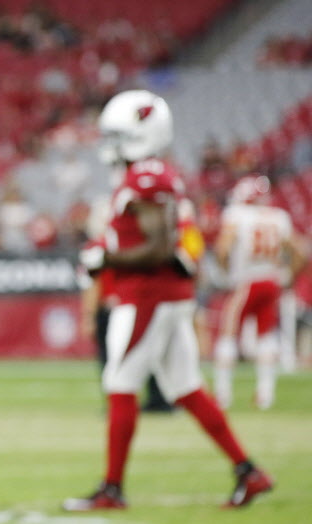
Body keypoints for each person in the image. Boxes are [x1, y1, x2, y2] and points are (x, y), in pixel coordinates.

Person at [66, 89, 273, 511]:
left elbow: (160, 247)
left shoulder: (147, 177)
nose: (110, 143)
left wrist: (102, 258)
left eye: (116, 134)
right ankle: (248, 472)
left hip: (148, 296)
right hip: (164, 295)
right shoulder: (152, 174)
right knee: (186, 387)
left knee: (120, 384)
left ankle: (112, 489)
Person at [214, 175, 306, 409]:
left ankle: (223, 395)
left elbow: (223, 249)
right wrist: (288, 278)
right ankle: (265, 395)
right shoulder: (278, 218)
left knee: (228, 334)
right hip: (271, 281)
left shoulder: (237, 216)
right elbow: (301, 251)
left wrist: (226, 273)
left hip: (246, 282)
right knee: (266, 337)